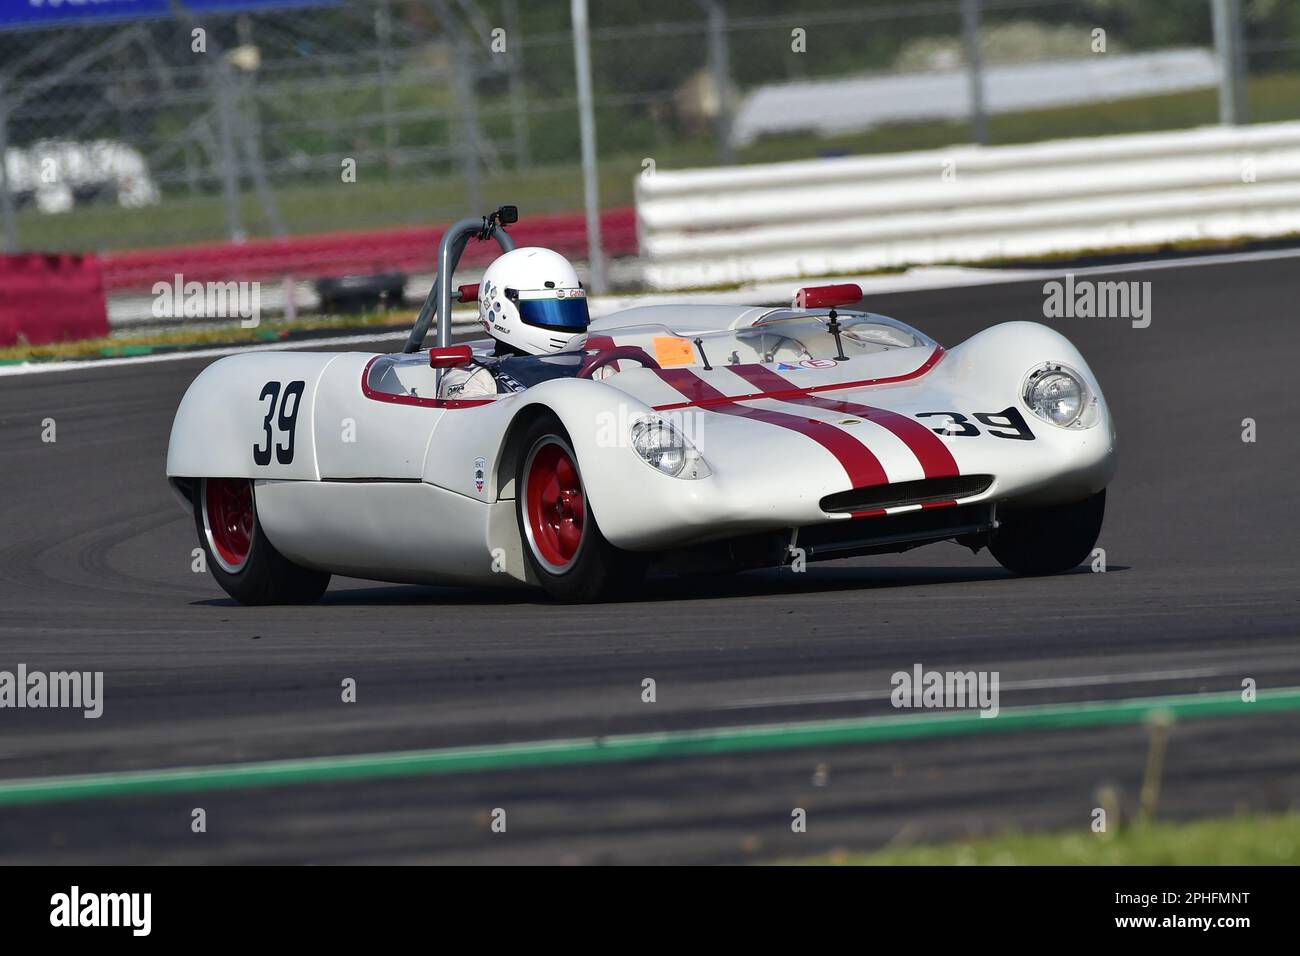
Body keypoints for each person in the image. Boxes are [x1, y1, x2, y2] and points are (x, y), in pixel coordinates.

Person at [437, 247, 590, 399]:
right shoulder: (474, 380)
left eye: (570, 309)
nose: (562, 321)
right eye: (544, 310)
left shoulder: (597, 369)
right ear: (501, 308)